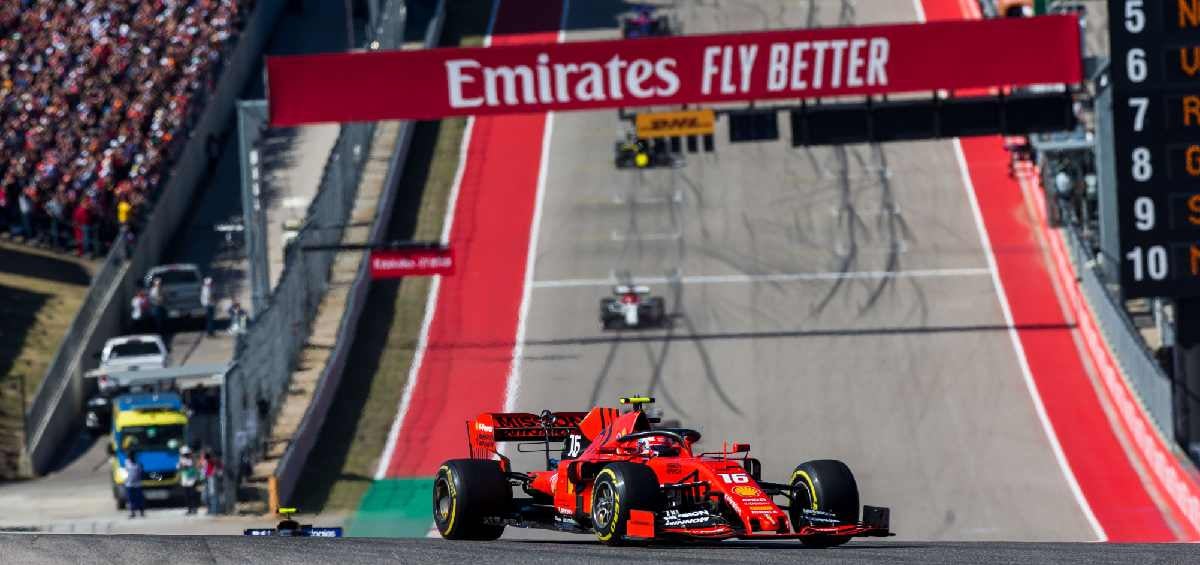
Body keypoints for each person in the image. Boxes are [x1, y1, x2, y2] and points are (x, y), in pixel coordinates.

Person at [178, 446, 200, 515]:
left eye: (186, 454)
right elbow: (179, 467)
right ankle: (189, 509)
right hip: (185, 479)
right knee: (187, 495)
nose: (185, 455)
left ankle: (194, 508)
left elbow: (193, 466)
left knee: (192, 494)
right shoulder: (181, 459)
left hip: (192, 479)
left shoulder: (192, 459)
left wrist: (186, 466)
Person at [202, 448, 223, 515]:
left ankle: (215, 510)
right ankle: (210, 509)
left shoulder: (214, 460)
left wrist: (216, 471)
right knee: (205, 496)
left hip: (212, 478)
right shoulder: (205, 460)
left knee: (213, 494)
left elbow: (220, 467)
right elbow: (203, 468)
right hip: (206, 478)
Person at [125, 451, 145, 518]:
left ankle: (141, 512)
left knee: (139, 499)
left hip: (137, 485)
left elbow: (141, 473)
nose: (131, 458)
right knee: (131, 499)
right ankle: (132, 512)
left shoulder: (138, 464)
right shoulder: (127, 463)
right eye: (129, 456)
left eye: (132, 456)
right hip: (129, 484)